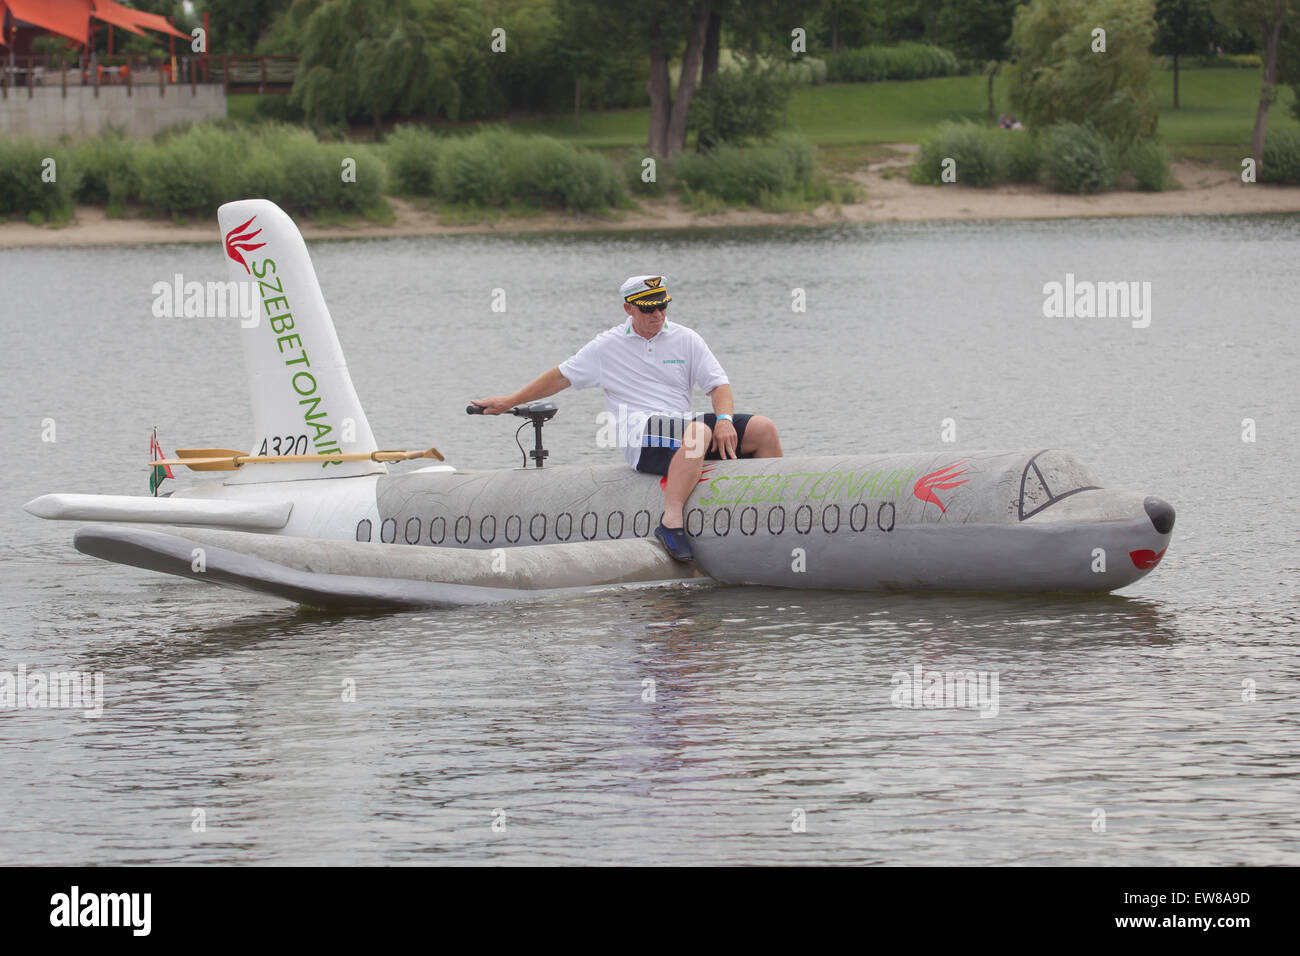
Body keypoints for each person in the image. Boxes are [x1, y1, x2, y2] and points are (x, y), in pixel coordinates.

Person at [472, 274, 783, 562]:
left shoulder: (686, 339)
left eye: (662, 306)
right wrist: (509, 401)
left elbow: (719, 385)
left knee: (763, 429)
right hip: (641, 434)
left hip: (686, 426)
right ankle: (671, 522)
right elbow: (560, 377)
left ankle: (775, 514)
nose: (658, 315)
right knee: (699, 432)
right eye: (648, 309)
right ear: (628, 308)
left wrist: (725, 419)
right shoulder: (606, 346)